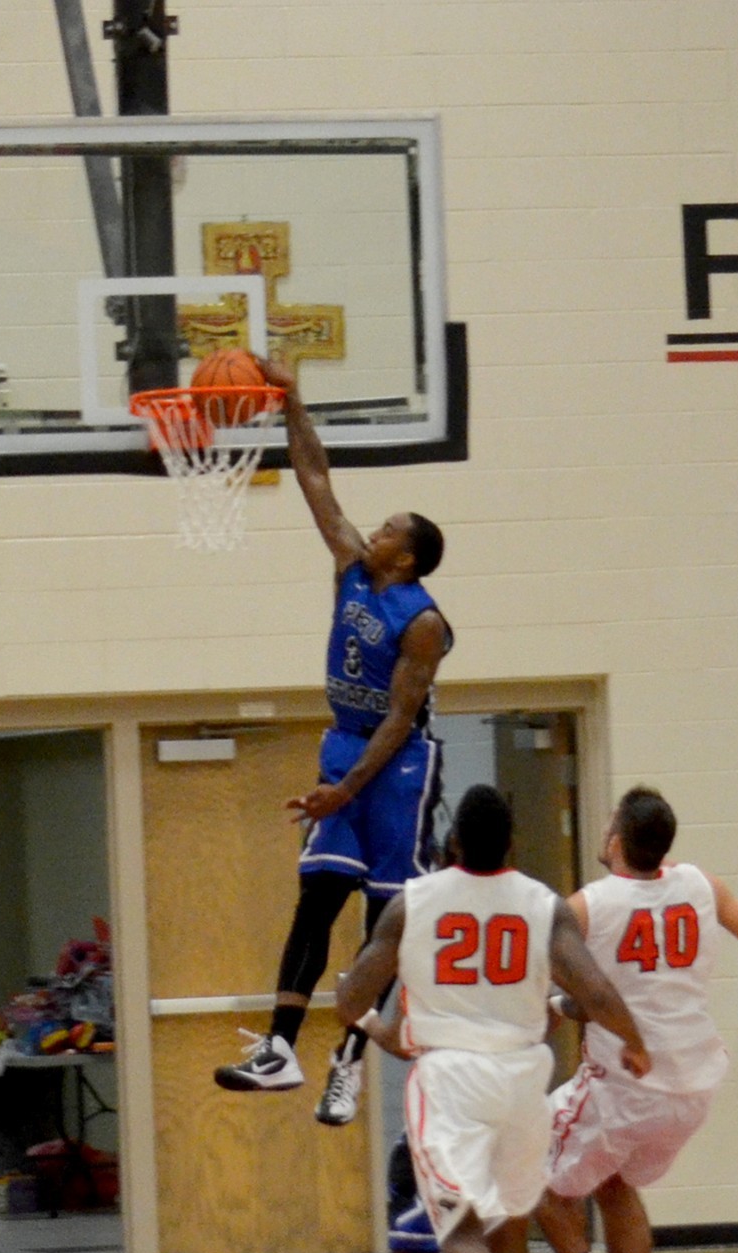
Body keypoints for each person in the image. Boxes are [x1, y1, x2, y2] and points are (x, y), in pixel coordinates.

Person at [337, 785, 651, 1253]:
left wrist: (381, 1030)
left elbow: (352, 994)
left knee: (457, 1227)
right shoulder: (543, 905)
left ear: (452, 844)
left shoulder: (413, 902)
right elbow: (593, 990)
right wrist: (637, 1044)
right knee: (512, 1212)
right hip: (521, 1077)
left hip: (450, 1077)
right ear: (512, 845)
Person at [214, 354, 453, 1128]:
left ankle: (346, 1063)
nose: (371, 527)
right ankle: (281, 1049)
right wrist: (292, 402)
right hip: (344, 748)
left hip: (398, 766)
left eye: (387, 528)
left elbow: (396, 718)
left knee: (382, 922)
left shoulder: (420, 622)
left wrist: (345, 789)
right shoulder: (352, 568)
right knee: (316, 895)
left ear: (406, 555)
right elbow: (316, 480)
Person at [537, 786, 738, 1253]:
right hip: (694, 1084)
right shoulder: (698, 884)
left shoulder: (590, 904)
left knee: (522, 1160)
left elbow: (552, 975)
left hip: (629, 1080)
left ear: (618, 841)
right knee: (615, 1180)